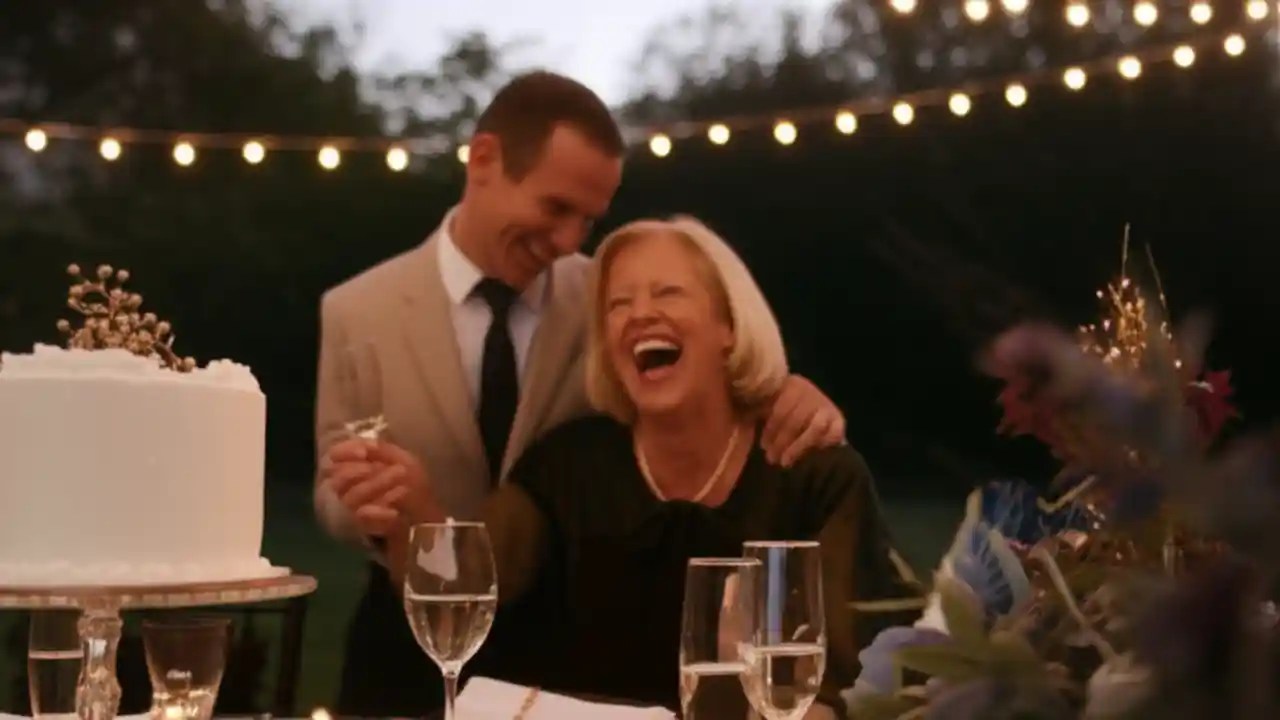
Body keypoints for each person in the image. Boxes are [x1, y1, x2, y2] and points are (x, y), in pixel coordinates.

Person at [314, 72, 849, 715]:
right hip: (413, 635)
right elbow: (332, 475)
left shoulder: (609, 295)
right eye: (555, 207)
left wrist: (784, 391)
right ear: (484, 161)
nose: (570, 241)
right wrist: (372, 507)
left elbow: (707, 362)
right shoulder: (356, 308)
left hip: (554, 650)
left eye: (589, 218)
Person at [349, 216, 922, 718]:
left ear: (728, 327)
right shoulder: (567, 464)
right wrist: (411, 509)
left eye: (667, 293)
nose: (639, 314)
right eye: (619, 304)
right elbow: (466, 591)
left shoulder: (813, 475)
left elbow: (858, 685)